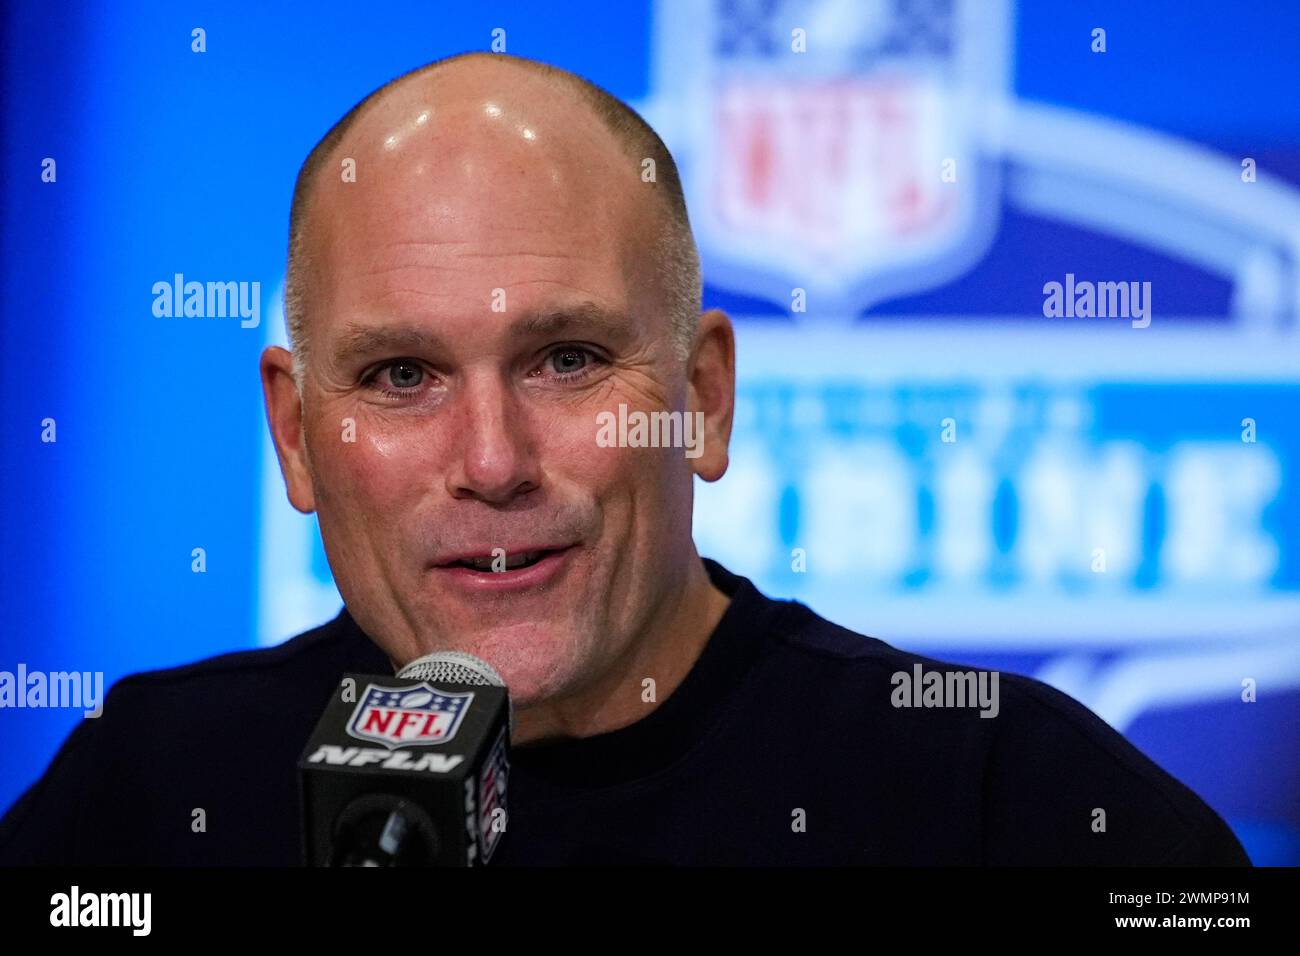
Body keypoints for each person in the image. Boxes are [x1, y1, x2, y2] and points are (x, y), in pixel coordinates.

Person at [0, 52, 1249, 865]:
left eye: (566, 358)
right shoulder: (145, 798)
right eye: (400, 376)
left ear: (704, 396)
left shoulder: (1011, 802)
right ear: (295, 433)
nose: (490, 460)